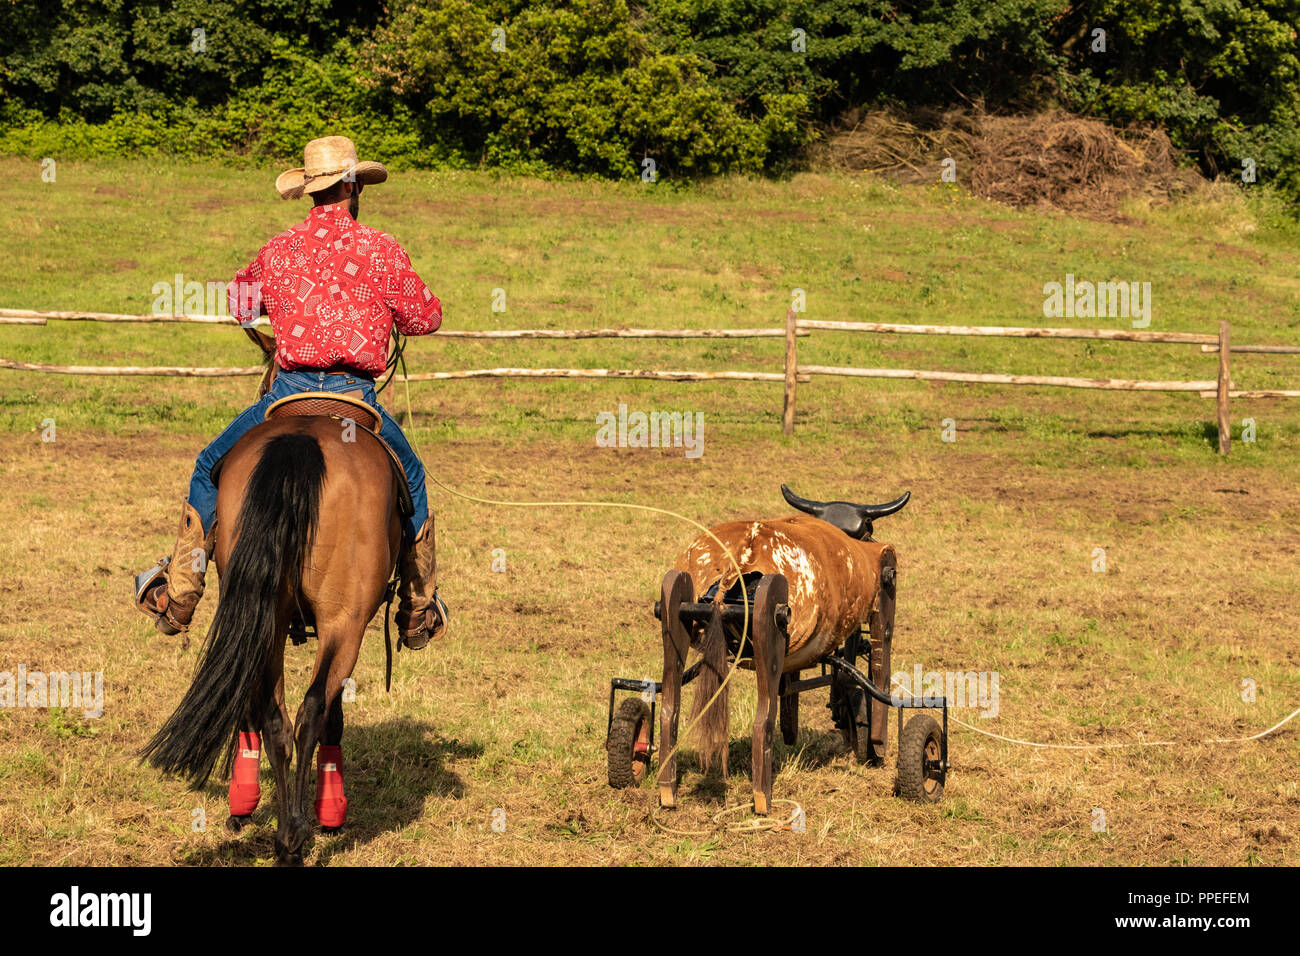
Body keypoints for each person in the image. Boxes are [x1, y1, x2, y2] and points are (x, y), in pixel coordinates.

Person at [134, 135, 448, 649]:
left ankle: (182, 591)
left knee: (208, 465)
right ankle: (417, 606)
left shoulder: (279, 249)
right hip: (355, 399)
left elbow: (239, 303)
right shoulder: (381, 248)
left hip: (288, 394)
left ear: (309, 191)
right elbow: (426, 317)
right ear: (352, 185)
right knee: (411, 479)